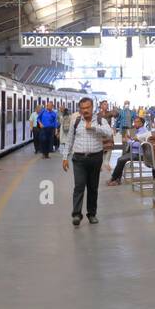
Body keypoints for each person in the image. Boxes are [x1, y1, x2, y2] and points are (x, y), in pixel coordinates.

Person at [62, 97, 114, 226]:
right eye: (83, 108)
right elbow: (69, 139)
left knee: (93, 187)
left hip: (95, 158)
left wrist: (95, 128)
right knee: (79, 186)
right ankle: (76, 215)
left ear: (92, 107)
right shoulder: (76, 121)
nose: (85, 110)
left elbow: (109, 133)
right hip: (79, 158)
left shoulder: (100, 120)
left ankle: (92, 214)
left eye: (87, 108)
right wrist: (64, 157)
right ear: (80, 109)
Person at [107, 116, 155, 184]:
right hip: (133, 152)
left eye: (137, 122)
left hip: (139, 154)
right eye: (134, 122)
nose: (134, 123)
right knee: (122, 157)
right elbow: (130, 139)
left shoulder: (143, 131)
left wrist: (128, 140)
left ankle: (114, 178)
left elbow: (138, 145)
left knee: (120, 160)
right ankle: (117, 179)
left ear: (141, 123)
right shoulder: (136, 131)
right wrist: (118, 139)